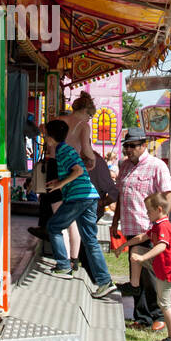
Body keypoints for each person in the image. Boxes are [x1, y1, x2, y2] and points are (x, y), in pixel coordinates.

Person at [43, 118, 116, 298]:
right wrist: (59, 182)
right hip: (89, 196)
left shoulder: (62, 150)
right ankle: (105, 281)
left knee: (54, 227)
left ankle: (64, 265)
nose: (44, 138)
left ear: (50, 137)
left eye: (45, 135)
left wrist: (60, 184)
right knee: (90, 240)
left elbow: (78, 171)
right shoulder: (67, 149)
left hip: (79, 197)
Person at [111, 127, 171, 331]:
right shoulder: (125, 166)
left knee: (151, 274)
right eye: (126, 146)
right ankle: (142, 317)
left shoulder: (157, 167)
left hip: (149, 229)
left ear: (144, 146)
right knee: (135, 275)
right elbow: (121, 196)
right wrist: (115, 222)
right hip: (131, 227)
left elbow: (167, 197)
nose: (128, 150)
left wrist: (160, 225)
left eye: (132, 146)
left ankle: (158, 316)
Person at [124, 192, 171, 341]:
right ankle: (134, 286)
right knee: (136, 248)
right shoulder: (157, 225)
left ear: (159, 209)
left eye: (149, 211)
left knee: (164, 305)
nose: (146, 213)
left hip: (167, 271)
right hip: (159, 265)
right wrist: (123, 247)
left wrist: (143, 259)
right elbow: (142, 238)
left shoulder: (164, 226)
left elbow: (162, 246)